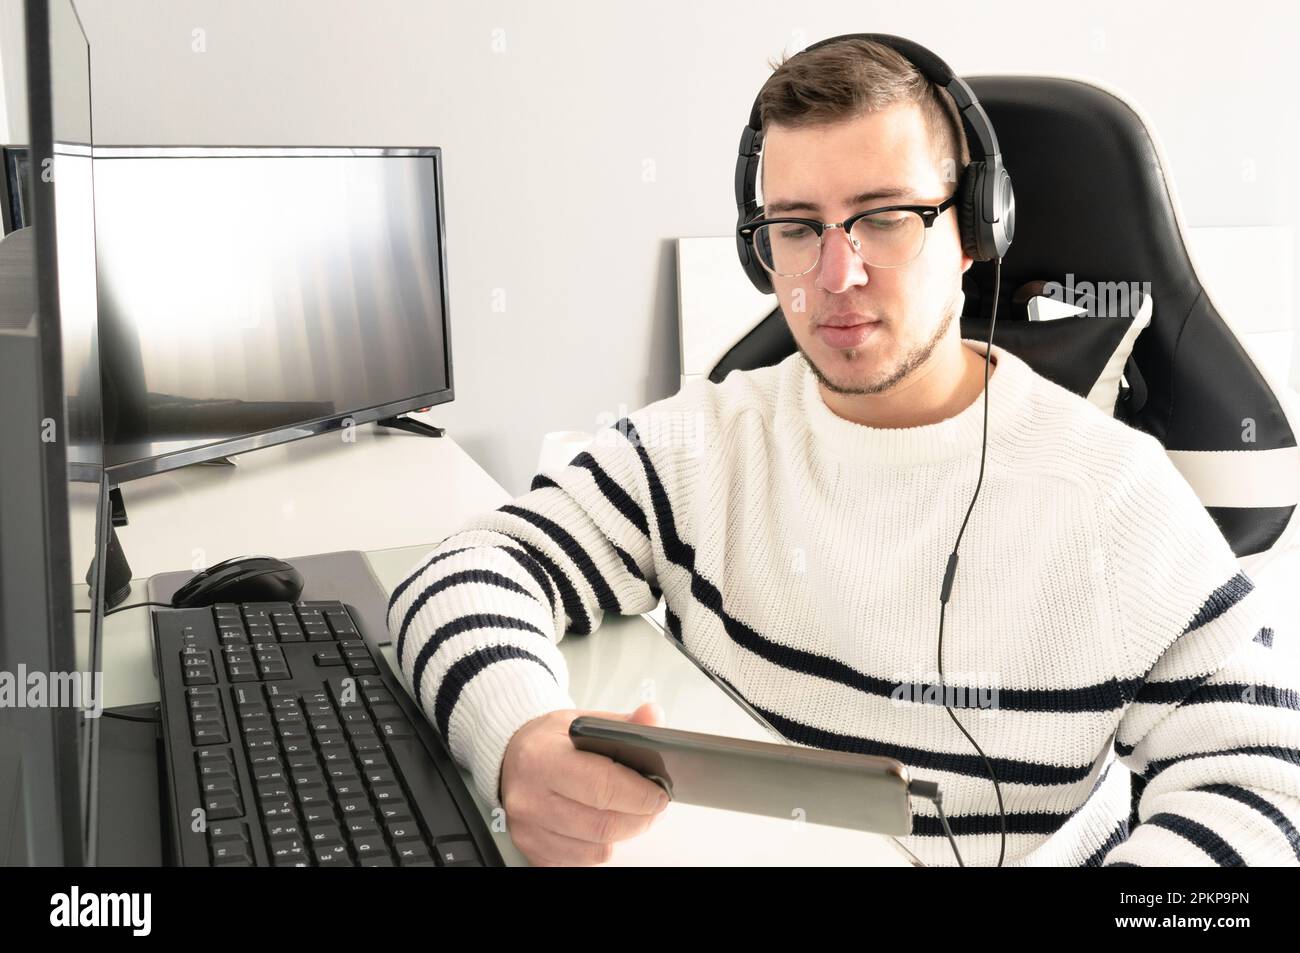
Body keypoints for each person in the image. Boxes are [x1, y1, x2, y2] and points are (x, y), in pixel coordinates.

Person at [387, 37, 1300, 866]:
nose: (836, 275)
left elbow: (1266, 790)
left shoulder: (1114, 495)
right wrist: (517, 738)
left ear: (973, 232)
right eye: (797, 227)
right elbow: (468, 567)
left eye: (884, 217)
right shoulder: (708, 440)